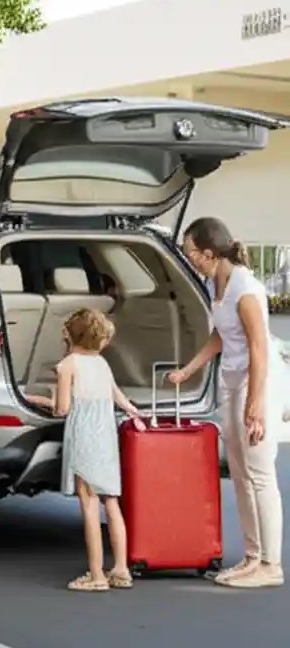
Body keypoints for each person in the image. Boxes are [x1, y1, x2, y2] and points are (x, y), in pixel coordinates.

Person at [168, 216, 283, 588]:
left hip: (256, 380)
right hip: (231, 381)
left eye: (191, 254)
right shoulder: (215, 283)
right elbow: (221, 335)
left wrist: (256, 403)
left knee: (260, 474)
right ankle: (251, 557)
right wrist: (188, 370)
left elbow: (259, 347)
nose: (189, 260)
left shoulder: (245, 289)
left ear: (208, 253)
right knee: (239, 474)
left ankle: (271, 564)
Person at [23, 308, 147, 591]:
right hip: (106, 440)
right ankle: (120, 569)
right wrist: (136, 412)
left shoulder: (68, 365)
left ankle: (96, 575)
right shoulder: (102, 364)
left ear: (70, 334)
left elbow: (62, 409)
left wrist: (43, 399)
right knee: (111, 503)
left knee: (89, 506)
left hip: (84, 439)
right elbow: (121, 400)